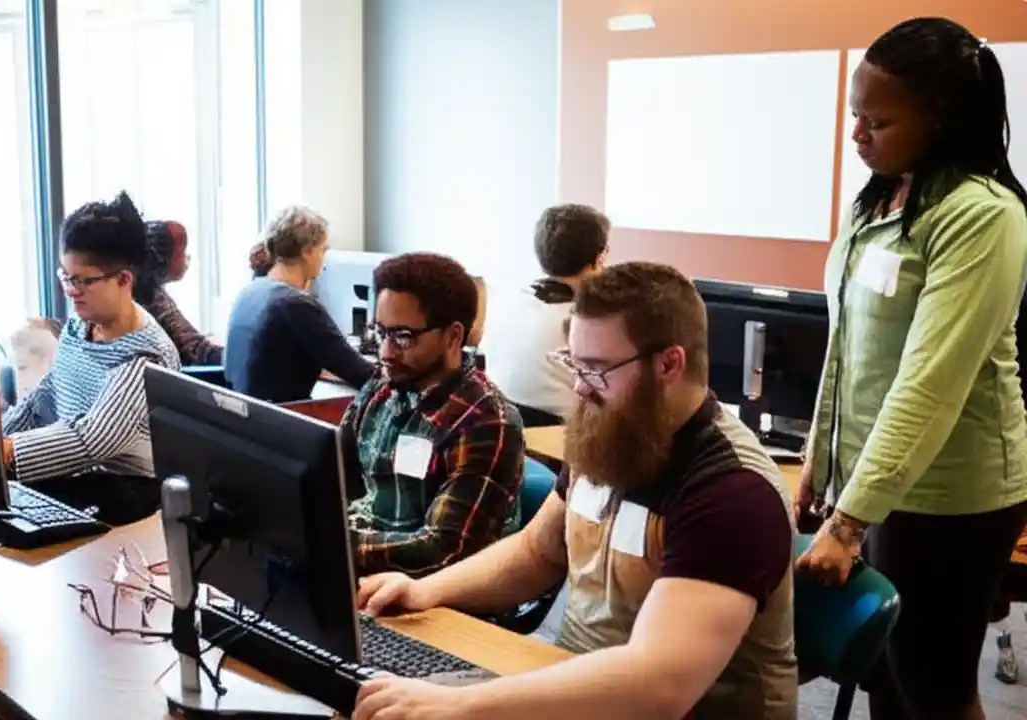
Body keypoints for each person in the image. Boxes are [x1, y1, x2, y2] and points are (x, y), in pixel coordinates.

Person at [354, 263, 796, 720]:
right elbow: (538, 552)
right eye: (574, 364)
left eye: (598, 370)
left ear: (669, 364)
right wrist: (425, 590)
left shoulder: (732, 492)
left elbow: (660, 685)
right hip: (572, 685)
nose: (580, 388)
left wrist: (461, 705)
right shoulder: (612, 432)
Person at [794, 18, 1027, 720]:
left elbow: (929, 384)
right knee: (887, 682)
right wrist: (819, 460)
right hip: (875, 484)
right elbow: (846, 347)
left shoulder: (980, 215)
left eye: (877, 121)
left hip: (952, 497)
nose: (856, 135)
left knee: (933, 688)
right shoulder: (877, 201)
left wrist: (849, 522)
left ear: (940, 115)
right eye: (854, 116)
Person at [341, 252, 525, 578]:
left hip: (434, 592)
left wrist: (335, 545)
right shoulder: (381, 388)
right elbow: (333, 473)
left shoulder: (485, 421)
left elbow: (447, 549)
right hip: (364, 567)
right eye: (381, 333)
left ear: (453, 336)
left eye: (403, 337)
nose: (385, 352)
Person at [1, 192, 179, 526]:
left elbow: (93, 438)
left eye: (83, 281)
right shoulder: (82, 324)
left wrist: (9, 451)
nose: (71, 290)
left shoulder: (146, 355)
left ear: (124, 279)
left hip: (124, 491)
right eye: (66, 277)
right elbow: (46, 395)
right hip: (77, 475)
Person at [224, 206, 375, 401]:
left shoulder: (249, 292)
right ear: (307, 251)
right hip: (284, 414)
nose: (323, 258)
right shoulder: (295, 305)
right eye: (322, 250)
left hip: (250, 411)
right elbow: (360, 374)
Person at [482, 204, 609, 422]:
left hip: (502, 425)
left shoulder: (501, 303)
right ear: (598, 260)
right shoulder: (590, 323)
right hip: (564, 434)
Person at [134, 220, 223, 366]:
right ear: (163, 257)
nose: (188, 257)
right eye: (183, 251)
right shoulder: (155, 300)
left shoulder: (139, 291)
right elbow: (197, 351)